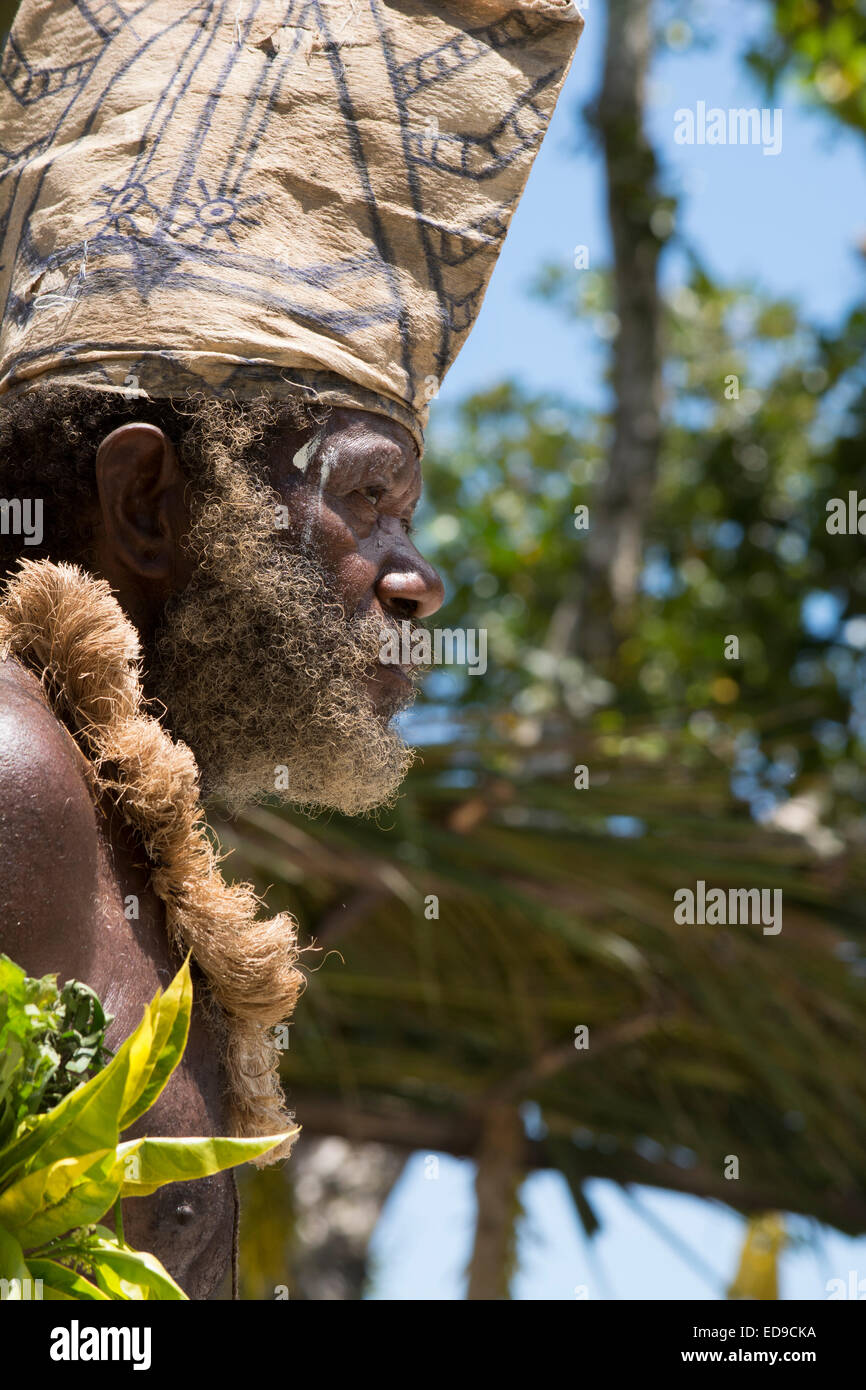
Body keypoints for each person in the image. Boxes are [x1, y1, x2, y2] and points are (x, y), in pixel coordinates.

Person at [0, 0, 583, 1297]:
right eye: (366, 500)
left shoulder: (111, 817)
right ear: (151, 500)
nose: (418, 579)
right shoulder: (15, 778)